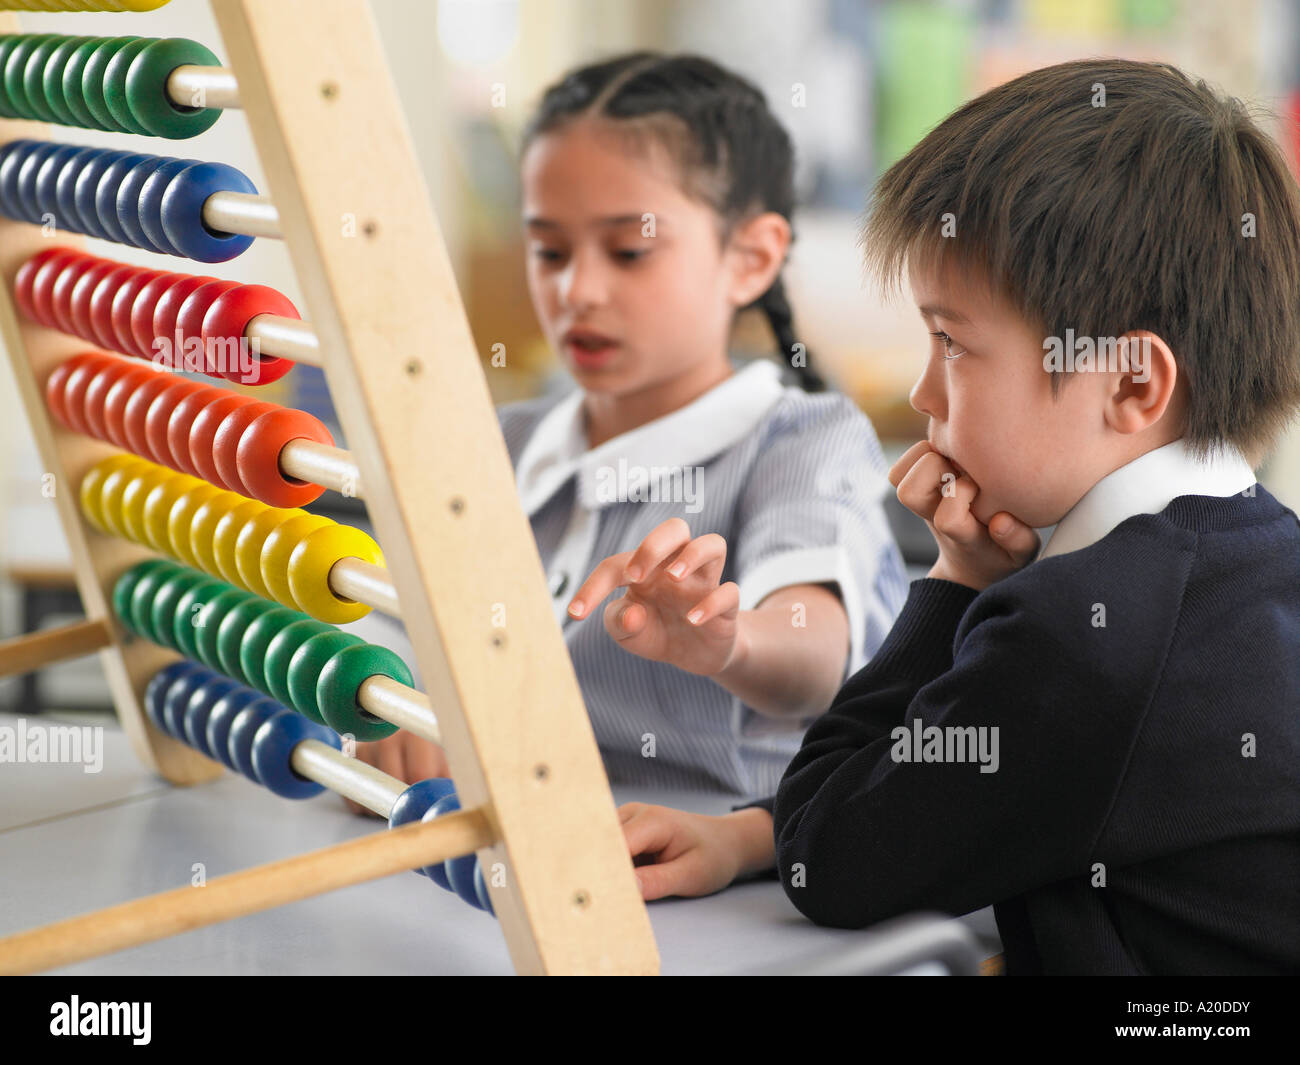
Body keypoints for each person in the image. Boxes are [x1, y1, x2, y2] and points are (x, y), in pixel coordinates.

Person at [619, 58, 1300, 975]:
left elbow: (831, 859)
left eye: (953, 343)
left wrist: (956, 582)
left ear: (1133, 382)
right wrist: (752, 834)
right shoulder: (1256, 556)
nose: (921, 388)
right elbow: (964, 805)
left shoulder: (1084, 638)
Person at [344, 52, 907, 804]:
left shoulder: (804, 440)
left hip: (716, 872)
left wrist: (726, 638)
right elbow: (394, 619)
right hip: (507, 851)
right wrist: (389, 701)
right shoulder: (501, 443)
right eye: (549, 250)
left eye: (629, 250)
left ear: (751, 258)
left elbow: (813, 650)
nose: (577, 289)